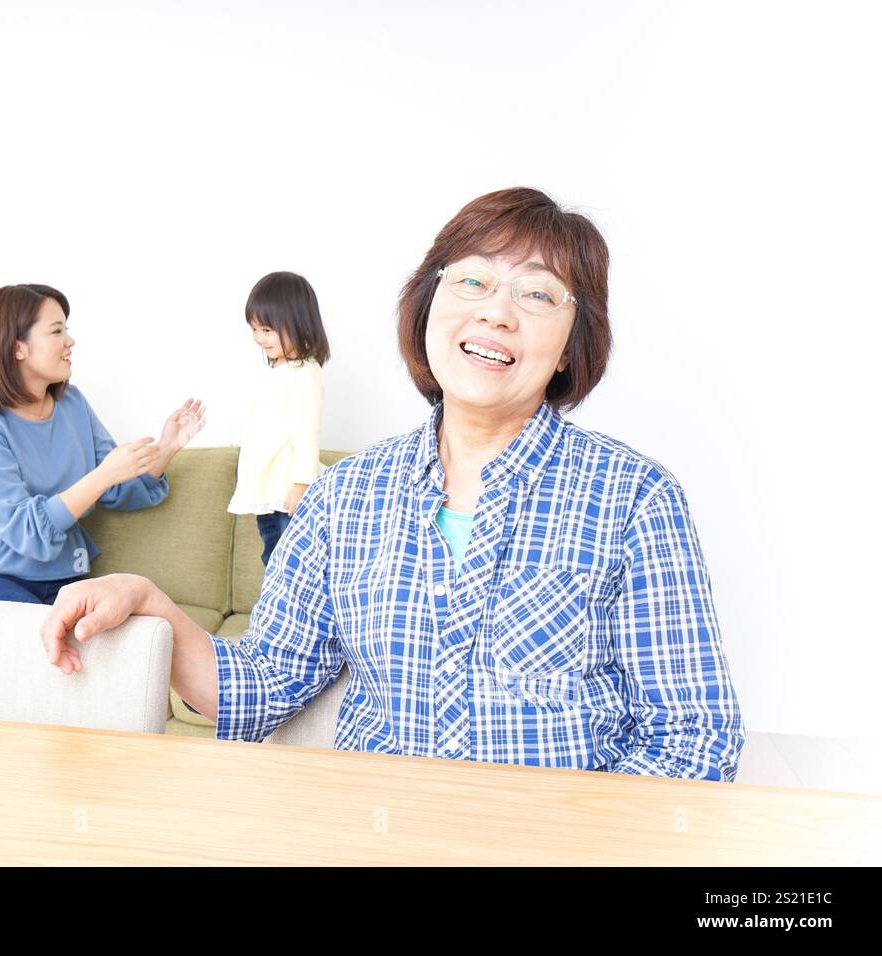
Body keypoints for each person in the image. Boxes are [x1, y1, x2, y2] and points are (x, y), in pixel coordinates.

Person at [40, 188, 745, 781]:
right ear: (428, 305)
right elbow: (258, 688)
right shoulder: (344, 499)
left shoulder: (634, 498)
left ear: (571, 346)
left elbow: (694, 738)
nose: (497, 311)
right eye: (472, 280)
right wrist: (150, 603)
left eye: (537, 293)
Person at [0, 283, 206, 604]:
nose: (70, 341)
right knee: (44, 642)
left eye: (67, 330)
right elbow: (24, 528)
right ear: (17, 348)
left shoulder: (73, 405)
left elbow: (116, 489)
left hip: (64, 577)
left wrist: (167, 448)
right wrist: (104, 474)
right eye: (56, 331)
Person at [226, 272, 331, 565]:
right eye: (255, 329)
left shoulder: (305, 373)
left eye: (267, 330)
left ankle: (291, 609)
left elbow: (307, 432)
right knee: (272, 556)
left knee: (289, 561)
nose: (259, 338)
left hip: (287, 490)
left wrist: (302, 483)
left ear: (297, 323)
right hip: (268, 487)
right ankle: (277, 609)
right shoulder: (277, 372)